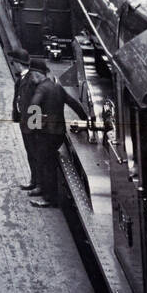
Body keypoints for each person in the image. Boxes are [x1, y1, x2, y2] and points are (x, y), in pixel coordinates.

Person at [26, 62, 88, 208]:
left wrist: (32, 127)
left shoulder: (41, 89)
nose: (31, 79)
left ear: (37, 75)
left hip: (46, 134)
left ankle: (49, 198)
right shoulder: (57, 87)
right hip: (58, 134)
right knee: (49, 162)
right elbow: (73, 103)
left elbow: (33, 106)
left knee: (46, 164)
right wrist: (86, 120)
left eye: (32, 76)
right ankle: (44, 191)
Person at [10, 48, 47, 194]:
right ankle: (34, 181)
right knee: (30, 153)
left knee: (36, 154)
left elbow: (37, 103)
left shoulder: (32, 80)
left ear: (19, 64)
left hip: (32, 125)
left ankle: (39, 185)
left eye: (14, 63)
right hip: (24, 123)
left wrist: (35, 126)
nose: (13, 65)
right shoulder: (22, 78)